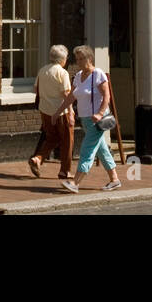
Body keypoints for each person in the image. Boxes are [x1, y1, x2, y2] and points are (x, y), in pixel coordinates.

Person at [51, 45, 121, 194]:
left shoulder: (98, 74)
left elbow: (106, 96)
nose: (79, 61)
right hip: (85, 119)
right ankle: (114, 179)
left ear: (89, 58)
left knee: (87, 149)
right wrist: (58, 112)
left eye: (81, 58)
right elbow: (71, 96)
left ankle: (75, 182)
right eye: (77, 59)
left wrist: (100, 113)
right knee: (102, 150)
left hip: (96, 120)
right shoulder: (78, 75)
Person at [28, 44, 74, 179]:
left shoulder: (42, 70)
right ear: (63, 59)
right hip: (60, 112)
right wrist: (71, 112)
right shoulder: (62, 73)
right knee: (67, 140)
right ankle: (64, 171)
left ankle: (38, 158)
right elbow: (66, 94)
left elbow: (35, 89)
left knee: (51, 137)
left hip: (45, 110)